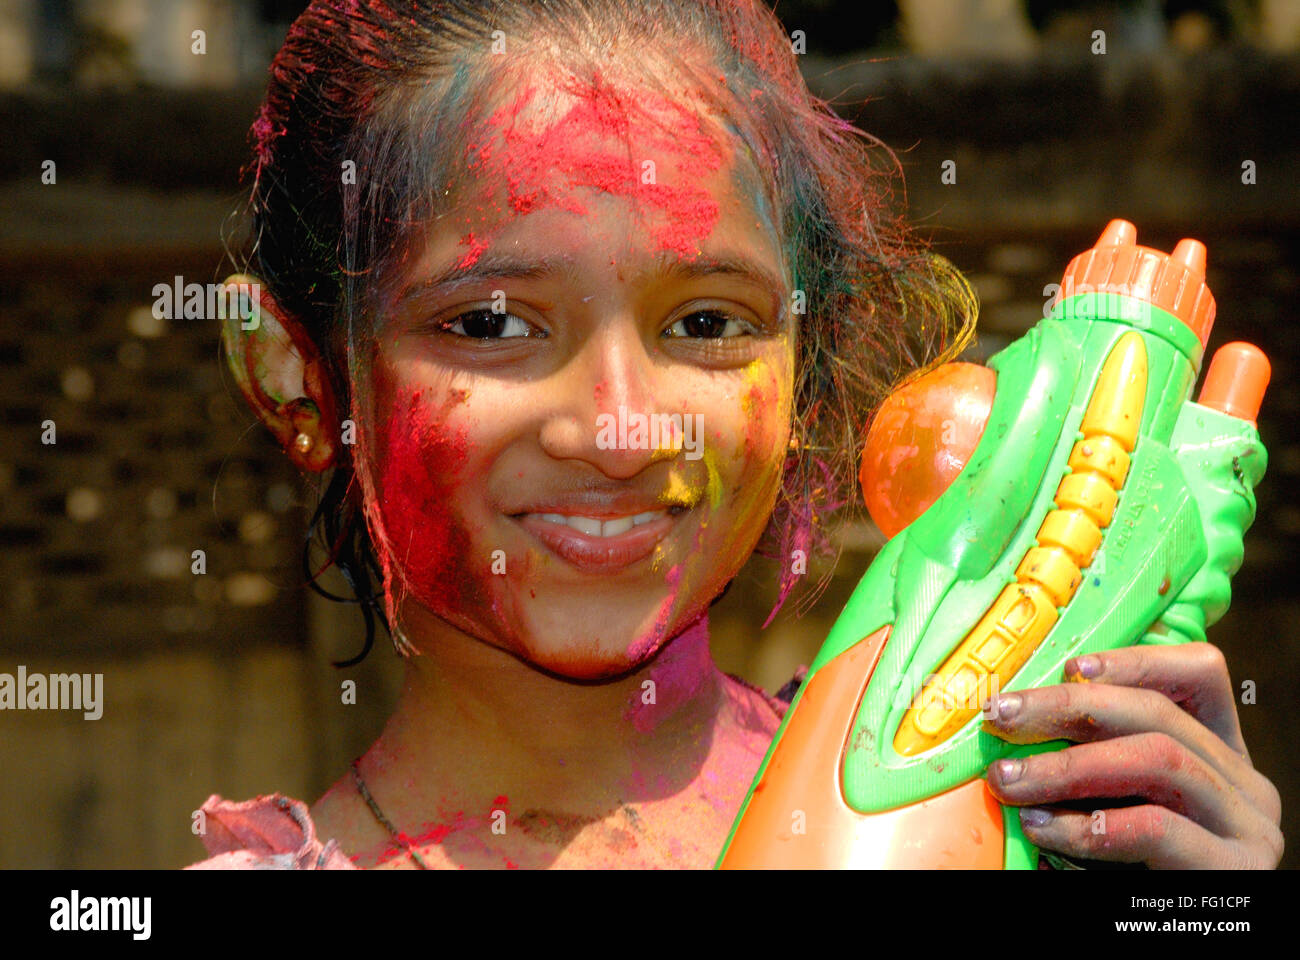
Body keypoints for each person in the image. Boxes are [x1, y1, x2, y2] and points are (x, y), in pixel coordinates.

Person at [191, 0, 1283, 869]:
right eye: (492, 324)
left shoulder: (998, 800)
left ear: (802, 366)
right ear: (297, 379)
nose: (620, 429)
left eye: (707, 323)